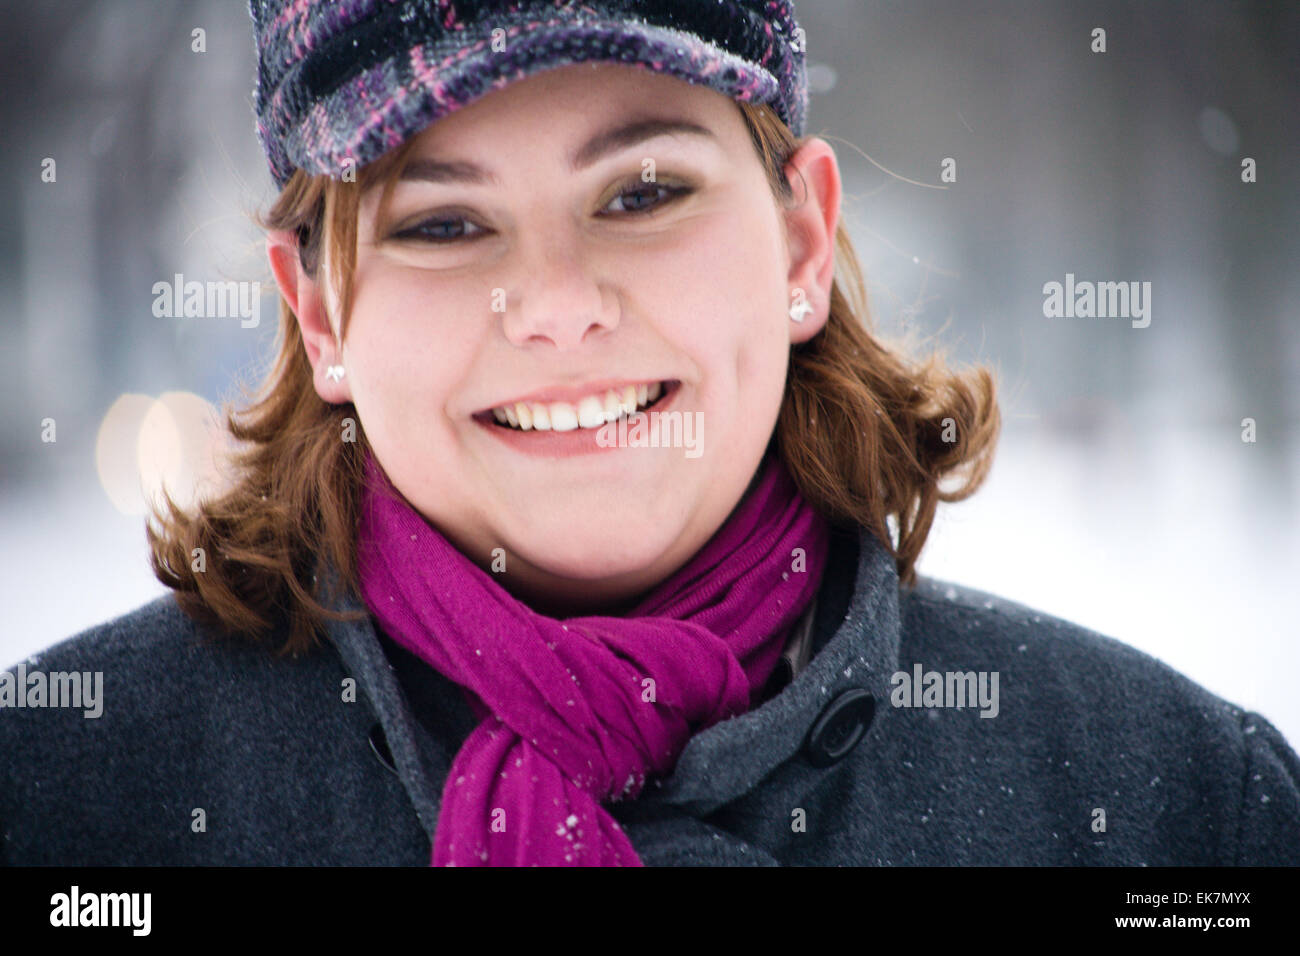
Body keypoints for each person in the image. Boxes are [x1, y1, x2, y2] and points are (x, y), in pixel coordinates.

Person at [2, 0, 1297, 867]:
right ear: (321, 314)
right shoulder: (66, 798)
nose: (559, 306)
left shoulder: (1174, 807)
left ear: (799, 239)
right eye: (443, 224)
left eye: (643, 191)